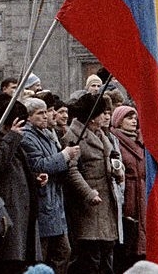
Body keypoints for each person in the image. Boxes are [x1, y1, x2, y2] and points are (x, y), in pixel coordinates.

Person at [0, 98, 39, 272]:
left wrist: (34, 179)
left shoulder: (11, 138)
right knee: (8, 263)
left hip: (21, 209)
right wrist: (12, 136)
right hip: (4, 213)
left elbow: (16, 169)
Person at [63, 92, 122, 274]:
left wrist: (117, 171)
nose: (105, 116)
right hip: (88, 205)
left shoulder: (101, 135)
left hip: (106, 201)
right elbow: (72, 170)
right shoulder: (74, 137)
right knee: (91, 256)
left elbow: (109, 158)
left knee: (106, 254)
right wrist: (88, 193)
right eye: (102, 112)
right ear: (93, 116)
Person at [20, 97, 79, 274]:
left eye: (46, 112)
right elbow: (39, 165)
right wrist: (64, 156)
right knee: (43, 254)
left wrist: (67, 158)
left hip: (55, 202)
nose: (46, 116)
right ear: (29, 117)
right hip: (43, 202)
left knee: (64, 251)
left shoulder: (46, 134)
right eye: (40, 113)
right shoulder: (27, 137)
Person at [110, 104, 147, 270]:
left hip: (141, 194)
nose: (134, 121)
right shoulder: (114, 141)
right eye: (129, 118)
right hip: (127, 195)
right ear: (118, 121)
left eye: (135, 118)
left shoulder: (140, 141)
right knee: (127, 242)